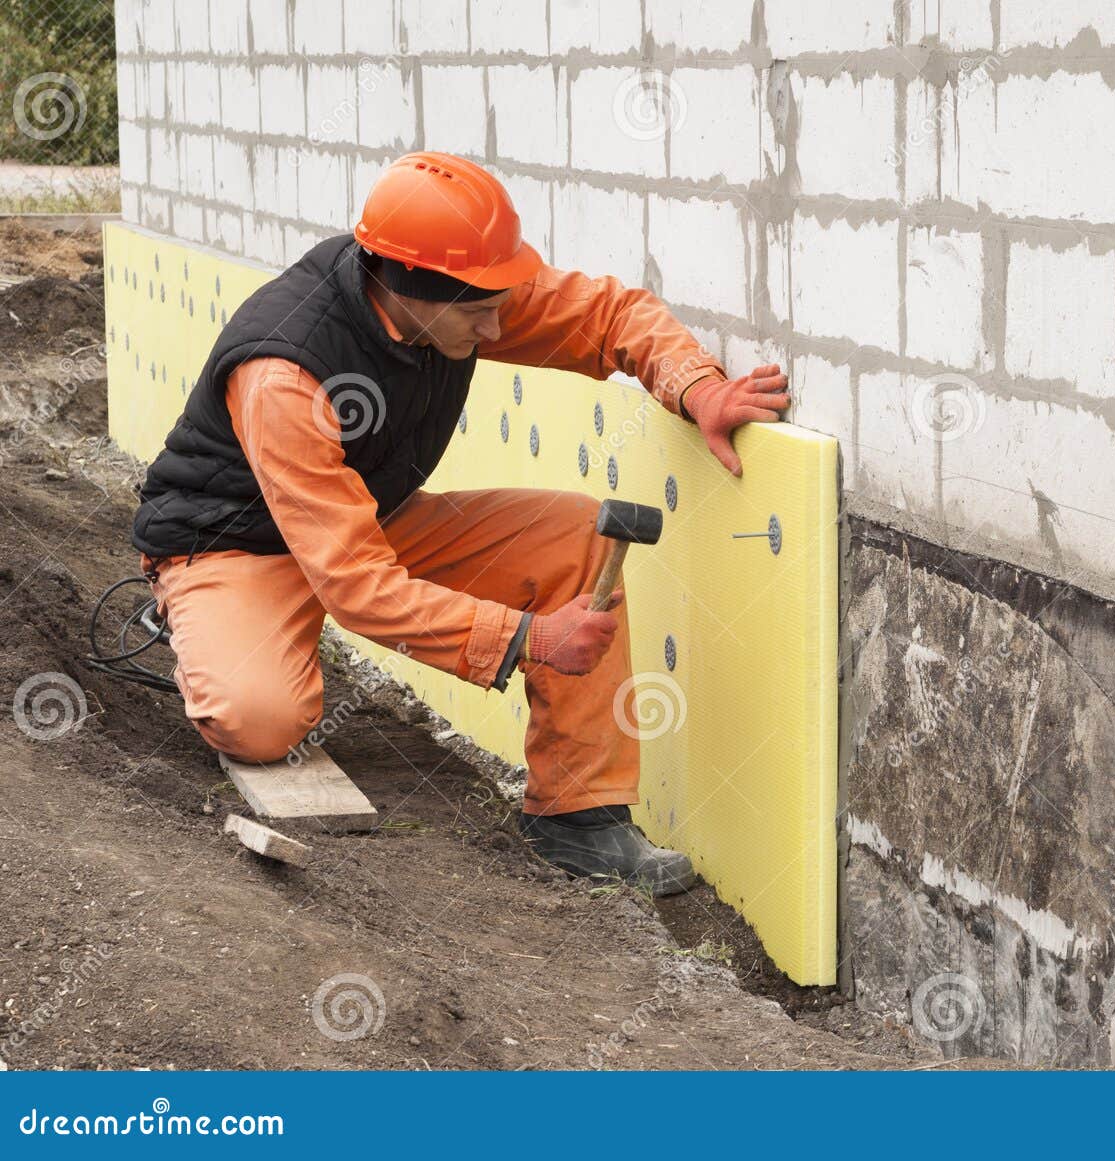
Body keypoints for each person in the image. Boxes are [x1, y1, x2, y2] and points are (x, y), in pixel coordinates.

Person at [129, 151, 790, 895]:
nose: (502, 322)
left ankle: (579, 819)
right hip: (235, 546)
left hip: (362, 520)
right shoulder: (288, 373)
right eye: (483, 311)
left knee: (578, 536)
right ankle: (205, 622)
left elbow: (609, 314)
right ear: (412, 293)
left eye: (501, 298)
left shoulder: (453, 291)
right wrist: (530, 638)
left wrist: (696, 387)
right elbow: (357, 586)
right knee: (260, 720)